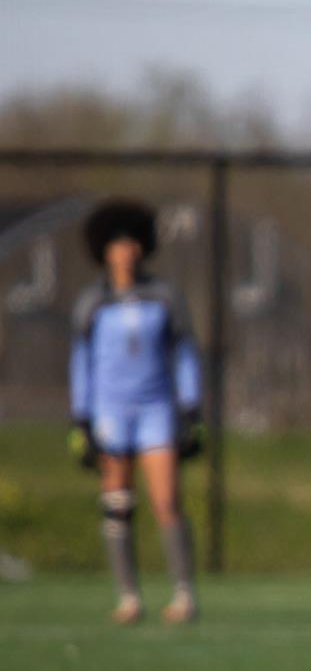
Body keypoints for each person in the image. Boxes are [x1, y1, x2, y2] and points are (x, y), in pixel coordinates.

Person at [68, 199, 205, 625]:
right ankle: (129, 596)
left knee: (167, 499)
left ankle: (184, 594)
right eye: (117, 244)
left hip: (156, 407)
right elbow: (82, 361)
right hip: (111, 410)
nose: (125, 252)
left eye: (131, 243)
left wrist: (190, 406)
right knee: (118, 501)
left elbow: (183, 352)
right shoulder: (93, 301)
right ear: (104, 251)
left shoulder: (163, 296)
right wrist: (81, 418)